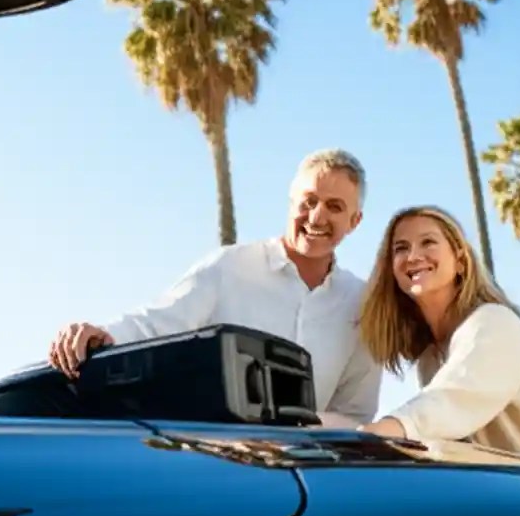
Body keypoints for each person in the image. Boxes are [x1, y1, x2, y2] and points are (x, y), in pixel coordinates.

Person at [45, 149, 382, 427]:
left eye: (335, 206)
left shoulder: (364, 305)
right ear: (291, 202)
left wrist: (302, 423)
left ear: (355, 221)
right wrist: (101, 334)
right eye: (308, 201)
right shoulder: (229, 267)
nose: (317, 216)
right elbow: (158, 322)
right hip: (217, 463)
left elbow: (355, 414)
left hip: (303, 478)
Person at [356, 205, 520, 482]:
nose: (413, 256)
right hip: (510, 502)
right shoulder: (430, 358)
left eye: (428, 242)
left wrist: (383, 431)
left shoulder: (493, 322)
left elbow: (451, 398)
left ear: (460, 261)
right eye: (400, 248)